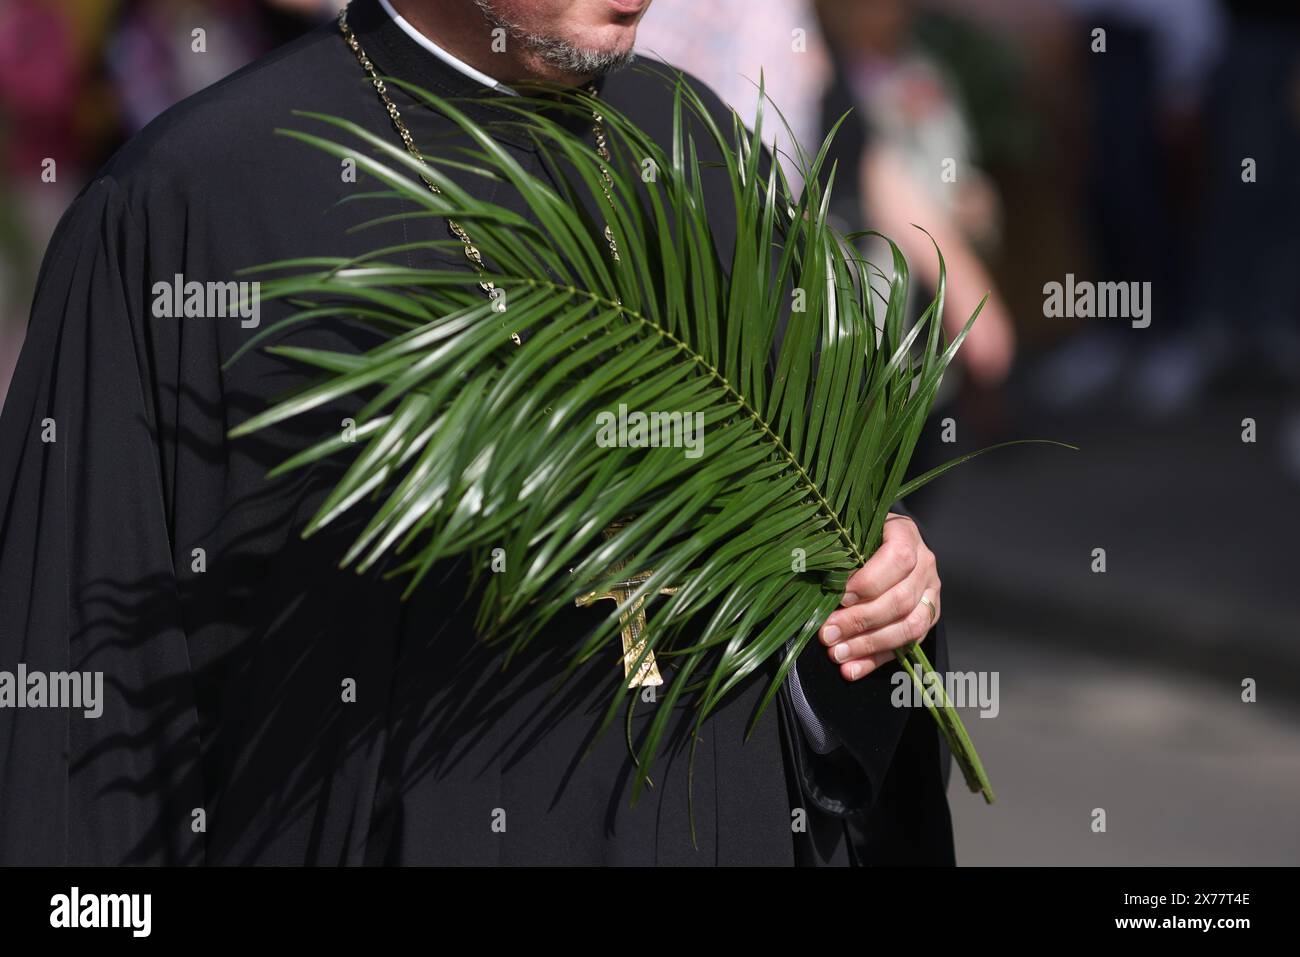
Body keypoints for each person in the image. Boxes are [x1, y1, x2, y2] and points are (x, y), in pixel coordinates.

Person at [0, 0, 953, 865]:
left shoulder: (695, 143)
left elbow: (832, 509)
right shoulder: (192, 208)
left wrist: (886, 582)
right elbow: (83, 711)